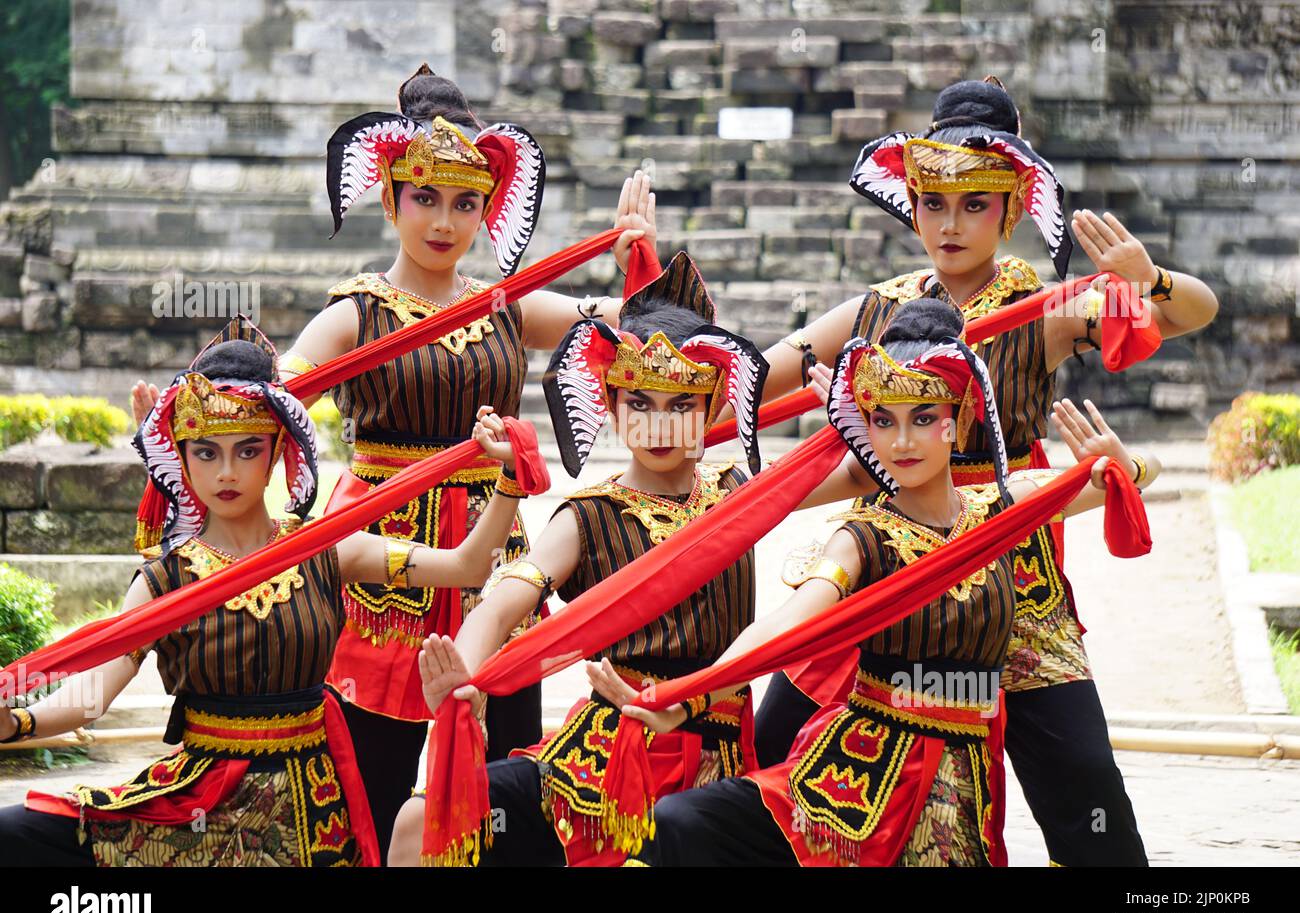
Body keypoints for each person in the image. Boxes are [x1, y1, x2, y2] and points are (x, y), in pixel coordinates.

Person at [128, 65, 657, 859]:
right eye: (425, 198)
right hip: (381, 554)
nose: (444, 221)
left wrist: (635, 260)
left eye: (465, 202)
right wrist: (185, 412)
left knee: (494, 750)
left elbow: (632, 333)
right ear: (389, 199)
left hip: (492, 545)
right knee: (373, 767)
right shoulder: (357, 313)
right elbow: (276, 393)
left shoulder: (505, 305)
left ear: (485, 209)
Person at [748, 76, 1216, 865]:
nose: (951, 223)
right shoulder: (879, 308)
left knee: (1084, 786)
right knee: (774, 743)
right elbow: (758, 378)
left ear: (1007, 206)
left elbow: (1193, 312)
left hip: (1006, 570)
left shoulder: (1046, 306)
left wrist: (1150, 280)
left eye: (974, 205)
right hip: (889, 556)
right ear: (913, 203)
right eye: (934, 202)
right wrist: (669, 378)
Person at [625, 298, 1161, 866]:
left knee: (1094, 798)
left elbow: (1124, 478)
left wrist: (1128, 465)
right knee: (681, 821)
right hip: (855, 776)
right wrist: (692, 693)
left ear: (955, 423)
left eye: (922, 419)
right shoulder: (863, 538)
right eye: (884, 420)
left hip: (956, 795)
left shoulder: (1003, 509)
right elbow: (792, 619)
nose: (902, 442)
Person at [0, 319, 536, 866]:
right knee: (18, 832)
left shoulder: (326, 548)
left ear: (277, 450)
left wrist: (509, 478)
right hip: (200, 798)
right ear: (182, 459)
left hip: (314, 812)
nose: (226, 471)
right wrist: (20, 721)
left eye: (247, 450)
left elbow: (468, 566)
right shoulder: (166, 579)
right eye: (206, 453)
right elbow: (97, 686)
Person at [386, 252, 769, 866]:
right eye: (640, 404)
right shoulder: (589, 515)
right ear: (613, 410)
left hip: (708, 746)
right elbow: (507, 596)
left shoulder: (743, 495)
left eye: (680, 406)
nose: (659, 425)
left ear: (711, 409)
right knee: (416, 822)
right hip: (600, 751)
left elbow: (851, 466)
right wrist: (465, 669)